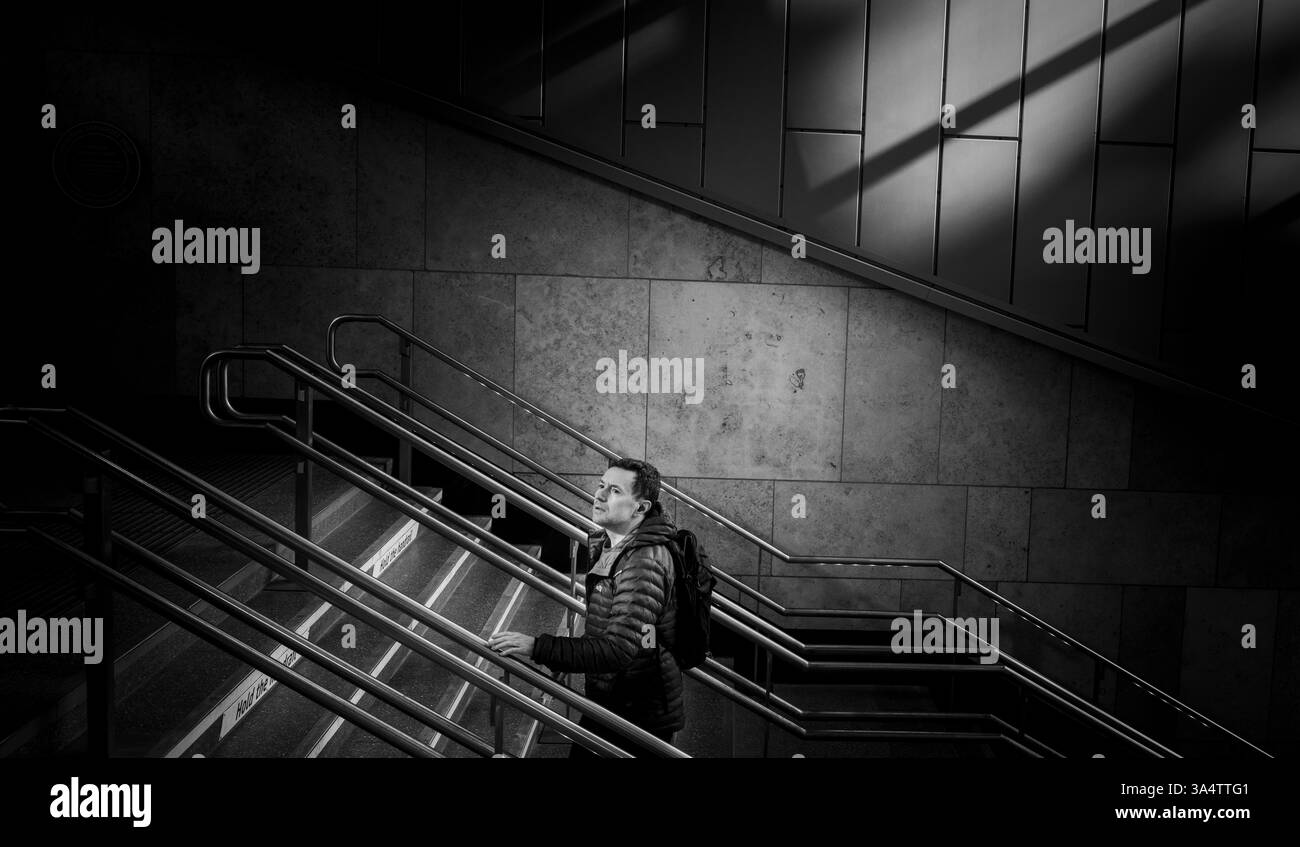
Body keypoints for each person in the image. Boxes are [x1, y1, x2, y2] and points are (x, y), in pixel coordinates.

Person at [489, 458, 684, 757]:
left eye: (615, 491)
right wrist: (561, 661)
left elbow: (617, 649)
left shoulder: (645, 561)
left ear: (641, 508)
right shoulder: (614, 543)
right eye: (601, 485)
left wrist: (538, 647)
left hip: (639, 714)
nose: (600, 495)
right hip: (614, 699)